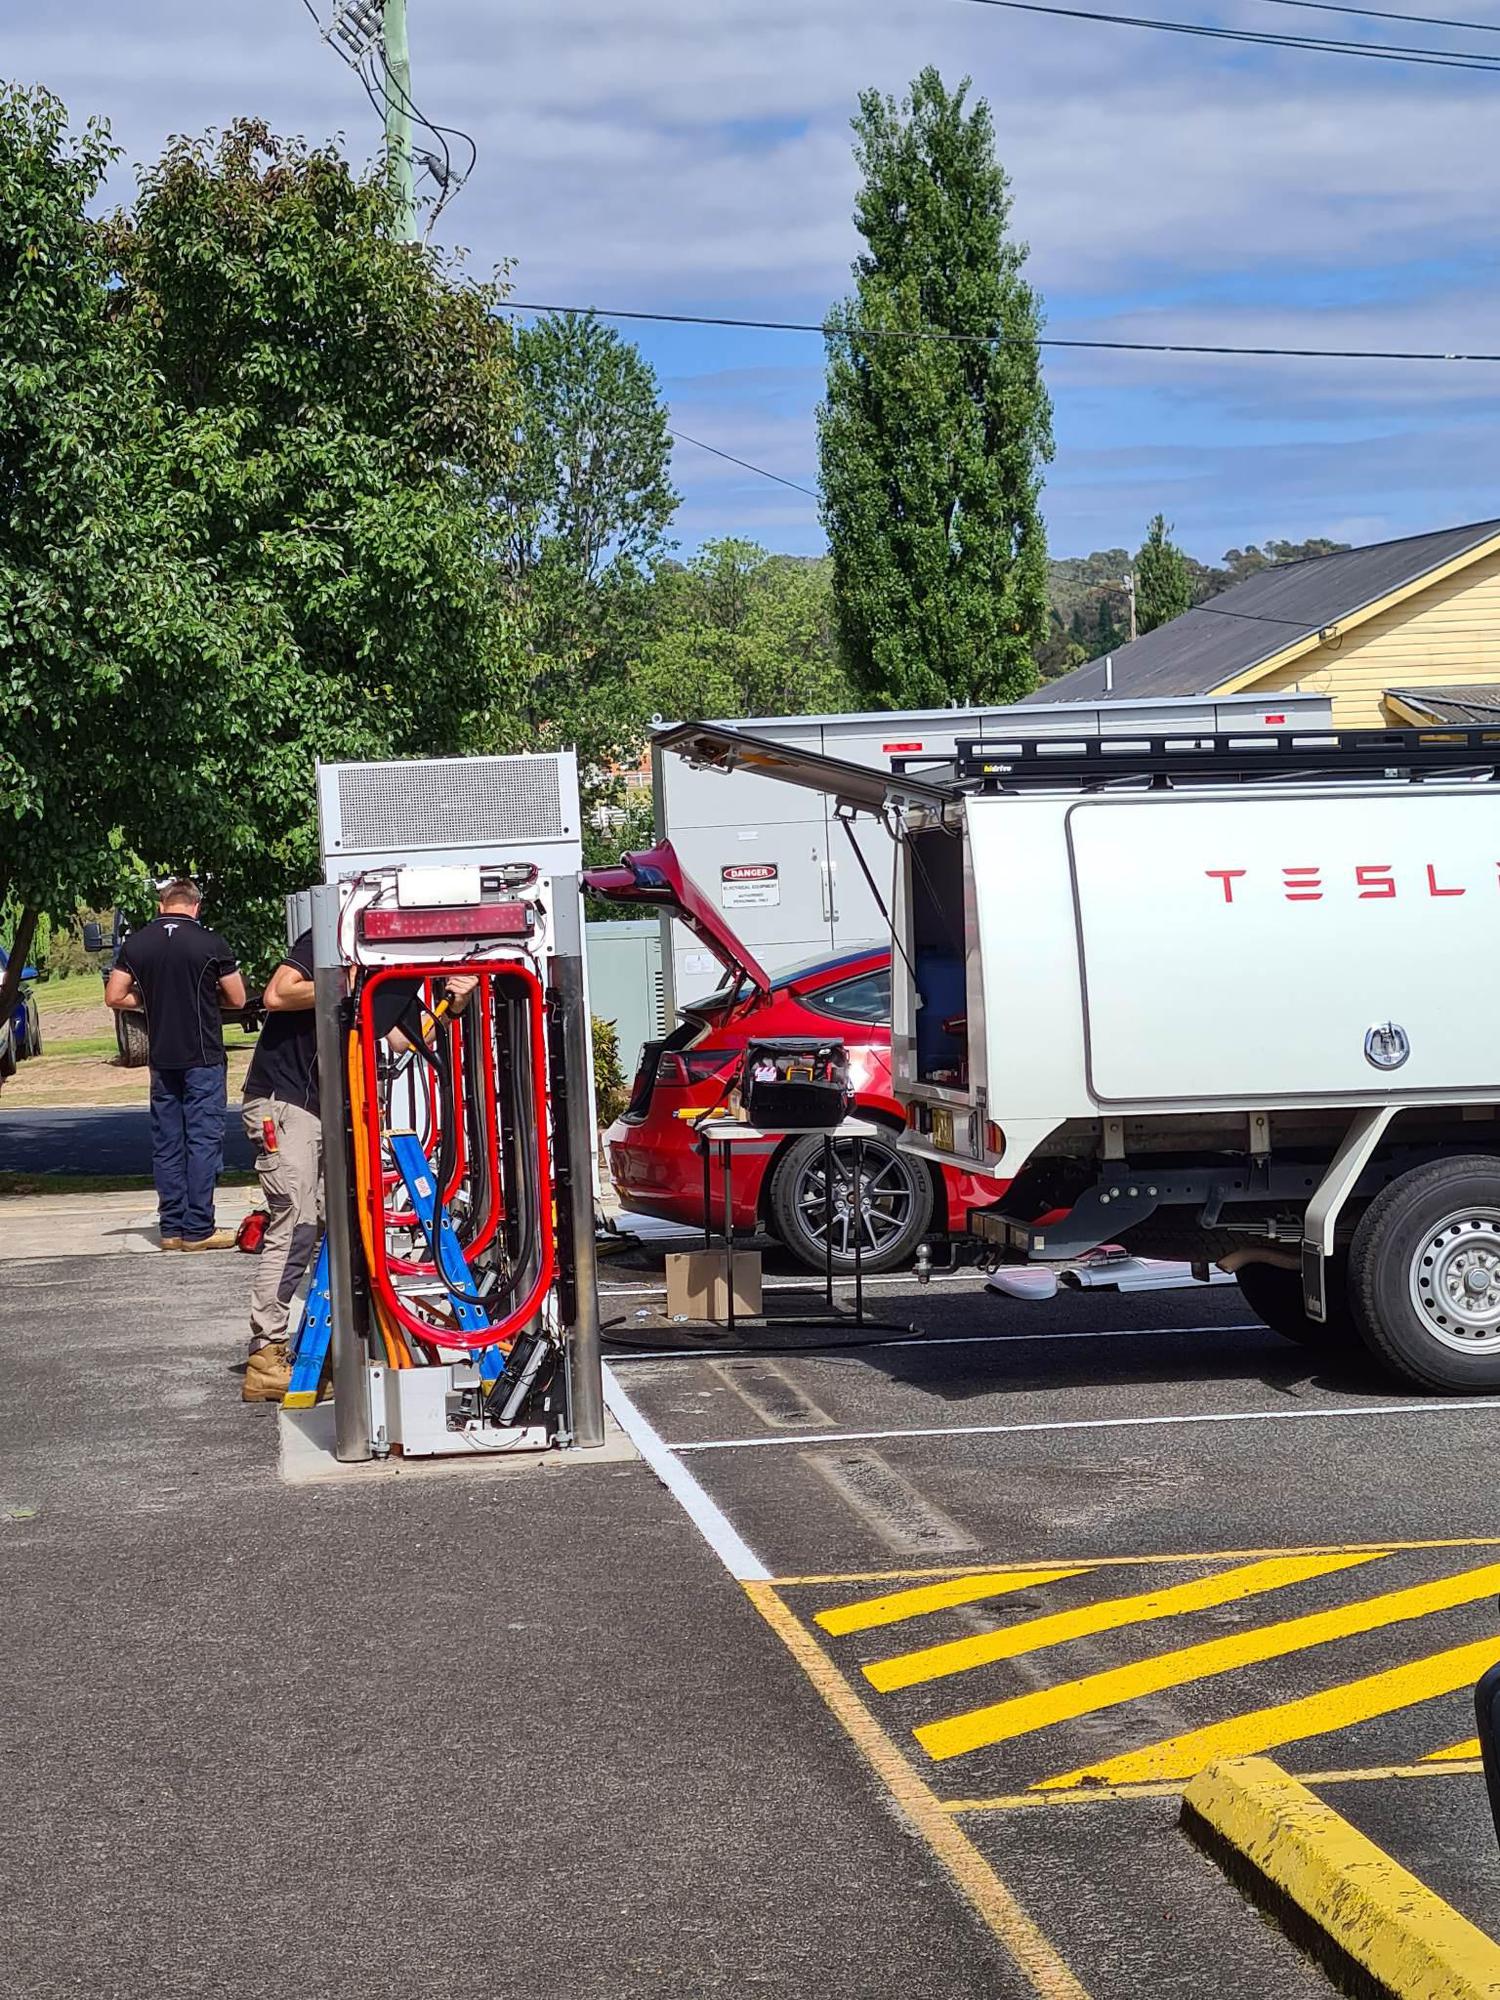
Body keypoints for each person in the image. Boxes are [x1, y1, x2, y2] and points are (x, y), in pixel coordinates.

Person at [238, 930, 477, 1404]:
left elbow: (405, 1041)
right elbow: (276, 993)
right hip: (285, 1101)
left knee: (332, 1224)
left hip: (322, 1109)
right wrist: (346, 984)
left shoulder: (394, 969)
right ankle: (265, 1353)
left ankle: (314, 1346)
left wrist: (454, 1001)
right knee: (297, 1224)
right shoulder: (338, 938)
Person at [106, 879, 245, 1255]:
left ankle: (171, 1228)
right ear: (195, 907)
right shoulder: (211, 943)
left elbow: (114, 995)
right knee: (202, 1141)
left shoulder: (136, 944)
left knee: (168, 1143)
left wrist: (149, 997)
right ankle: (198, 1228)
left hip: (162, 1057)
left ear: (161, 905)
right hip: (203, 1056)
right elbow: (237, 996)